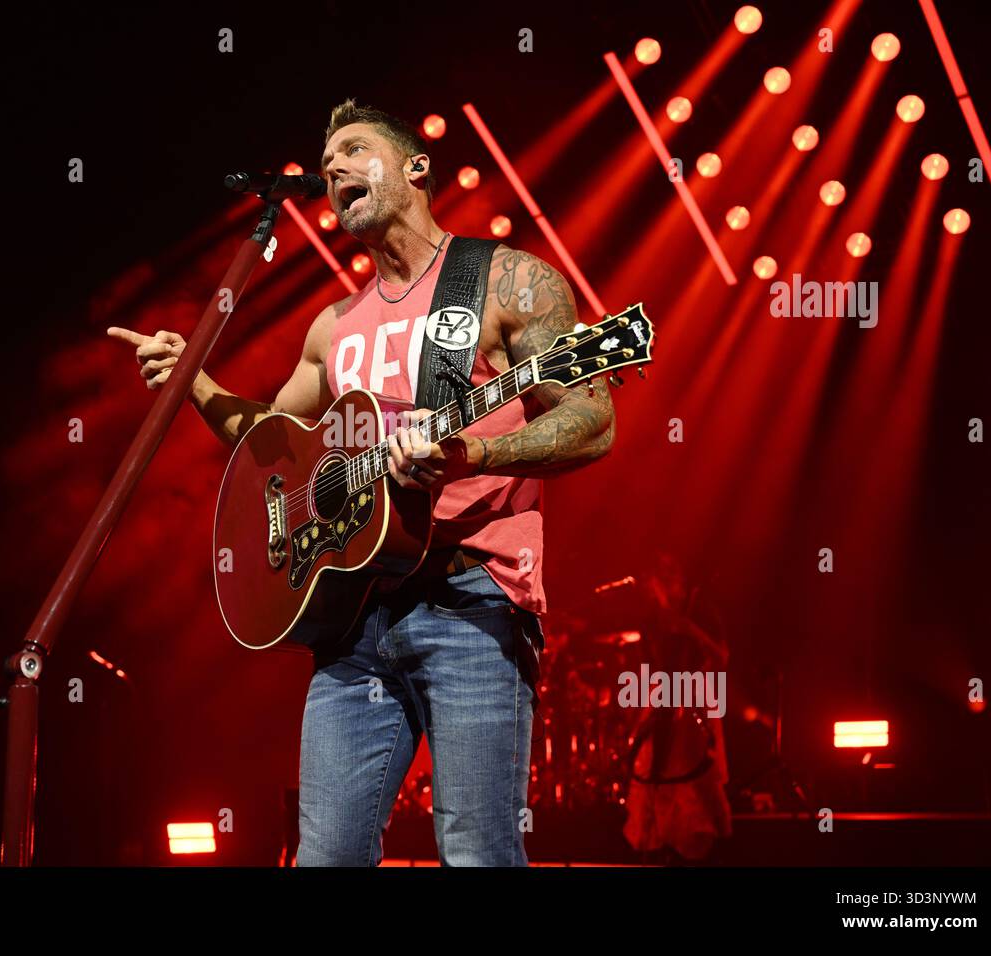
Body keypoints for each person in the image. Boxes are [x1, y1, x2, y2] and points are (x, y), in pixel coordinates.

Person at [109, 100, 616, 865]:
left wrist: (472, 458)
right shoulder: (332, 326)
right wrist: (195, 383)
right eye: (327, 156)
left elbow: (593, 419)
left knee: (475, 851)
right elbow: (272, 447)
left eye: (353, 148)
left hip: (471, 602)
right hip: (352, 617)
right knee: (325, 857)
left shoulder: (506, 281)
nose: (334, 165)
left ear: (417, 169)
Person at [622, 552, 732, 862]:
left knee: (693, 771)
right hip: (662, 701)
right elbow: (647, 667)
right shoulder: (652, 617)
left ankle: (699, 845)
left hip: (695, 699)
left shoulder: (699, 608)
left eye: (655, 584)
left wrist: (689, 629)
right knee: (654, 770)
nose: (652, 592)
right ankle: (661, 843)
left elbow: (722, 657)